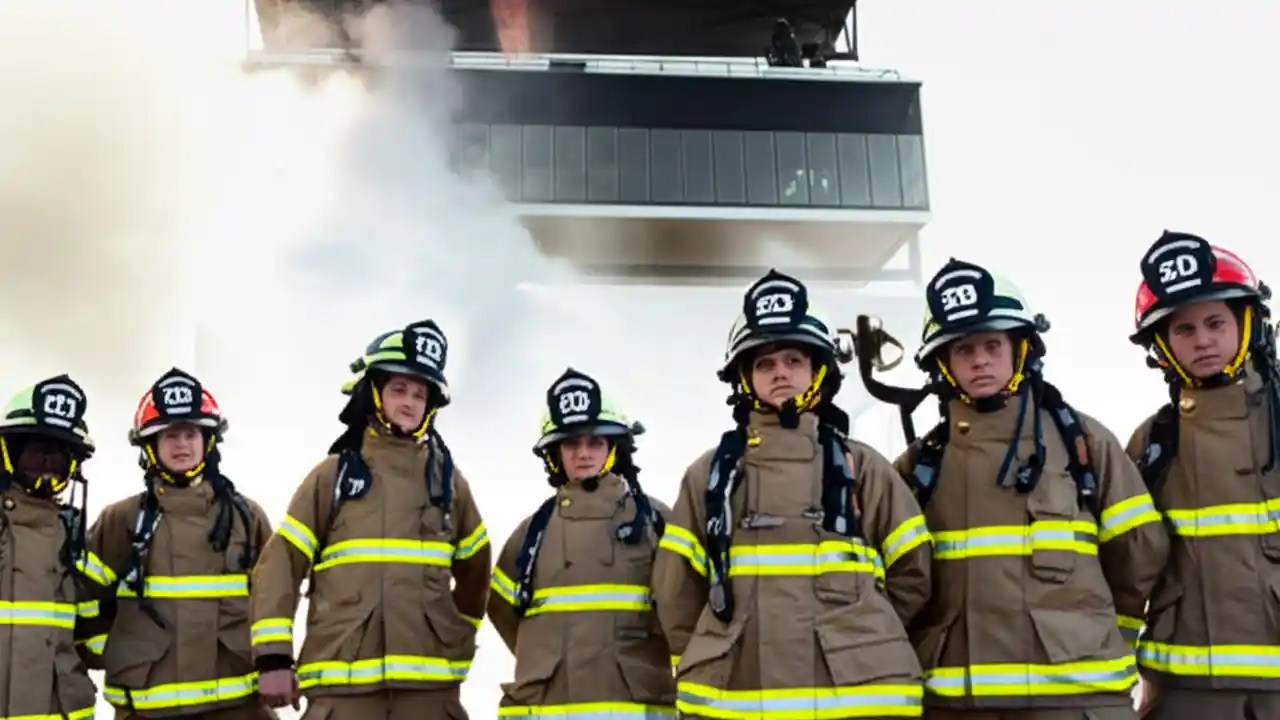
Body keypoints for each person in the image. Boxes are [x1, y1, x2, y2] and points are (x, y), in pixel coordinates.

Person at [887, 258, 1169, 719]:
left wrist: (1100, 635)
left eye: (992, 345)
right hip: (960, 705)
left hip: (1078, 698)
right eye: (963, 350)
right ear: (942, 364)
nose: (979, 359)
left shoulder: (1084, 445)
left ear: (1020, 349)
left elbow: (1139, 552)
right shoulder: (918, 467)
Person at [651, 268, 933, 719]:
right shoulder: (708, 477)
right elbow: (675, 590)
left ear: (818, 370)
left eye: (793, 360)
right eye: (764, 363)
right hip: (736, 703)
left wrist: (862, 638)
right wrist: (713, 653)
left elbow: (913, 575)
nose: (780, 372)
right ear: (744, 378)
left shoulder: (866, 470)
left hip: (855, 705)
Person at [250, 319, 491, 719]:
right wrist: (274, 658)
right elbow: (281, 566)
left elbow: (477, 570)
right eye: (399, 389)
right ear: (373, 392)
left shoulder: (449, 485)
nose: (410, 402)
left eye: (420, 393)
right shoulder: (331, 478)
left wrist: (452, 635)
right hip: (342, 695)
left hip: (430, 695)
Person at [1125, 231, 1280, 720]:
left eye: (1216, 322)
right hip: (1188, 691)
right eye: (1184, 330)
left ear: (1246, 324)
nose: (1203, 340)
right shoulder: (1152, 443)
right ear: (1163, 345)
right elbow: (1129, 568)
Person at [77, 368, 276, 719]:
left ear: (208, 441)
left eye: (190, 433)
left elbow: (275, 601)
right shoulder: (121, 520)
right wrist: (118, 652)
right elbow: (84, 599)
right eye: (169, 435)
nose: (181, 444)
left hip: (237, 706)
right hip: (146, 708)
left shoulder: (246, 518)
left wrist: (275, 663)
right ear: (150, 446)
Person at [488, 368, 676, 718]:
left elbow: (687, 608)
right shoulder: (532, 534)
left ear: (614, 448)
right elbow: (499, 608)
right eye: (571, 443)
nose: (583, 453)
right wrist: (547, 659)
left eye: (595, 442)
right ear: (555, 454)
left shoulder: (656, 522)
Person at [0, 374, 99, 720]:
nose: (47, 463)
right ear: (10, 451)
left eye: (57, 454)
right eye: (36, 450)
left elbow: (97, 641)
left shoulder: (75, 538)